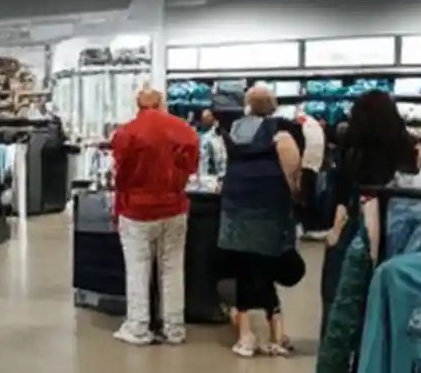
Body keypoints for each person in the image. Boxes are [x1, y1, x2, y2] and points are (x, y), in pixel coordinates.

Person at [313, 90, 416, 373]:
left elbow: (342, 197)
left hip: (353, 237)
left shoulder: (350, 150)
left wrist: (334, 232)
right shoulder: (405, 150)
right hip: (396, 237)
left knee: (339, 319)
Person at [109, 87, 199, 346]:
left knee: (138, 268)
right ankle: (174, 328)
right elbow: (191, 168)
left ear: (138, 105)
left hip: (137, 209)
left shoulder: (127, 132)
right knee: (172, 268)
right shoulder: (184, 130)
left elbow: (121, 174)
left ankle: (138, 327)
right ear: (161, 103)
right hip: (174, 207)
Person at [217, 86, 301, 358]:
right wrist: (295, 198)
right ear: (273, 105)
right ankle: (275, 336)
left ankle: (245, 337)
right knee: (266, 269)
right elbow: (292, 170)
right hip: (269, 210)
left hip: (235, 207)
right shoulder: (279, 132)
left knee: (243, 270)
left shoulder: (234, 130)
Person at [197, 108, 227, 177]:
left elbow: (221, 157)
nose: (206, 119)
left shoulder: (221, 136)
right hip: (204, 175)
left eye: (208, 116)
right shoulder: (198, 135)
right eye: (204, 117)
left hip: (218, 174)